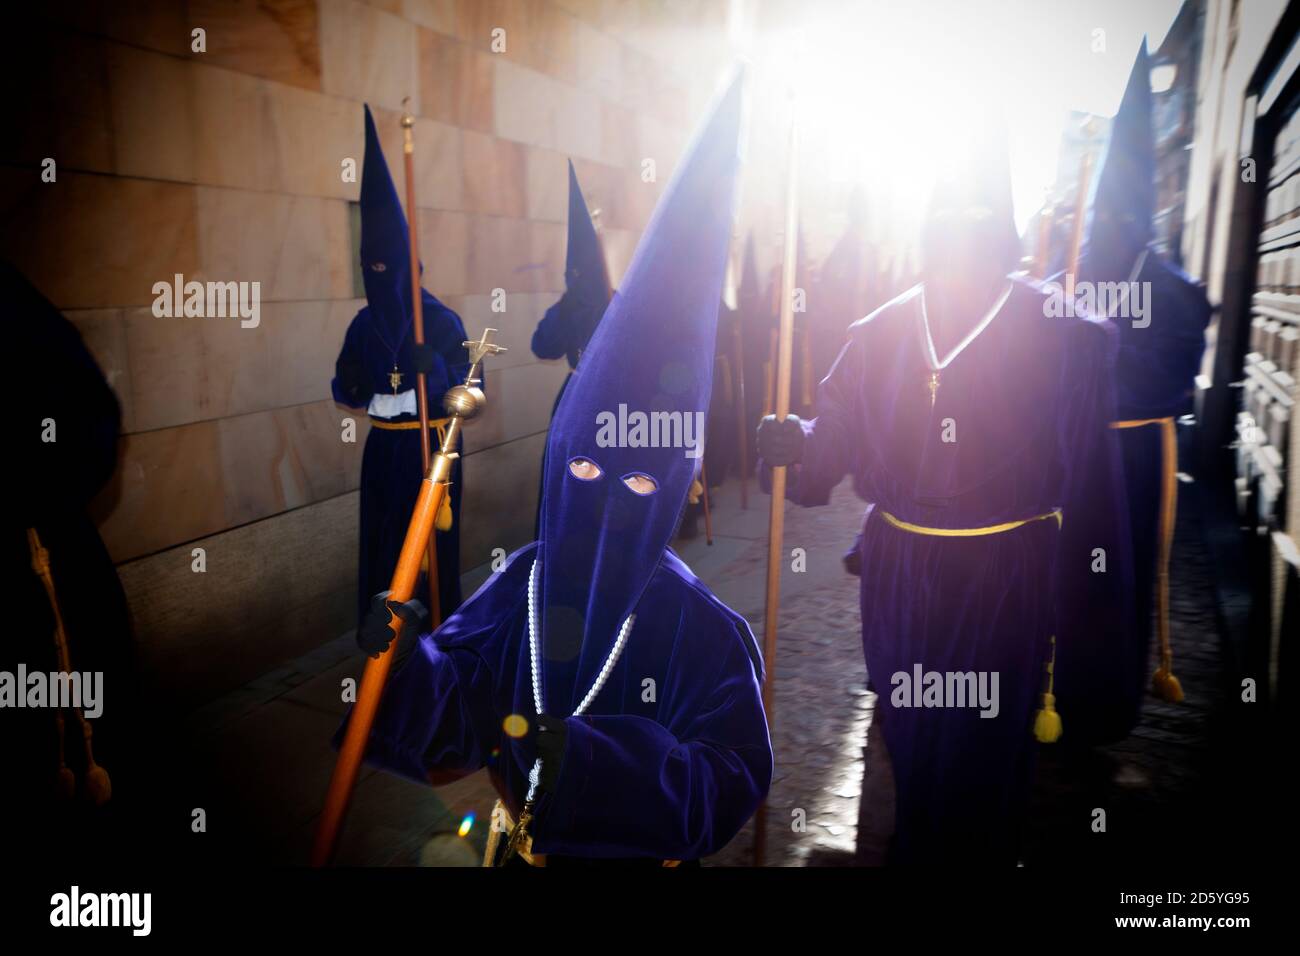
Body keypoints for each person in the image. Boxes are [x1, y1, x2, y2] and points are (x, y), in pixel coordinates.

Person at [341, 71, 771, 866]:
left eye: (638, 484)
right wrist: (404, 663)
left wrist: (600, 767)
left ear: (672, 488)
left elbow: (730, 777)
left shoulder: (705, 634)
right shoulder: (521, 586)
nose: (604, 502)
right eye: (582, 476)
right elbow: (458, 703)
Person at [757, 110, 1133, 864]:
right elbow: (840, 432)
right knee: (913, 731)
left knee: (983, 747)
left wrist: (1088, 605)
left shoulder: (1066, 337)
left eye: (976, 226)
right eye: (947, 225)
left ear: (1002, 236)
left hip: (1003, 572)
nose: (959, 244)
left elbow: (1093, 490)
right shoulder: (878, 332)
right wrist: (797, 440)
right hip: (899, 570)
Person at [1051, 40, 1211, 741]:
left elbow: (1164, 379)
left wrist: (1097, 359)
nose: (1103, 228)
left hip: (1130, 463)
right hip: (1065, 460)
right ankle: (1051, 691)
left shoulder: (1174, 290)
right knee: (1061, 580)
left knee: (1116, 582)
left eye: (1116, 216)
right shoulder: (1068, 274)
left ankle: (1106, 706)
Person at [332, 105, 471, 626]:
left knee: (431, 557)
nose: (379, 275)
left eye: (388, 265)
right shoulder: (363, 325)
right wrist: (355, 380)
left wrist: (432, 367)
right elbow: (345, 388)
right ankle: (385, 646)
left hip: (429, 450)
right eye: (371, 266)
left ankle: (438, 645)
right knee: (384, 550)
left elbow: (471, 393)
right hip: (383, 450)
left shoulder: (439, 319)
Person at [530, 162, 613, 536]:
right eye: (571, 276)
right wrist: (566, 306)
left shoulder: (620, 305)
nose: (576, 281)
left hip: (615, 407)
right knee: (565, 482)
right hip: (573, 401)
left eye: (582, 275)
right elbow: (542, 346)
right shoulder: (568, 306)